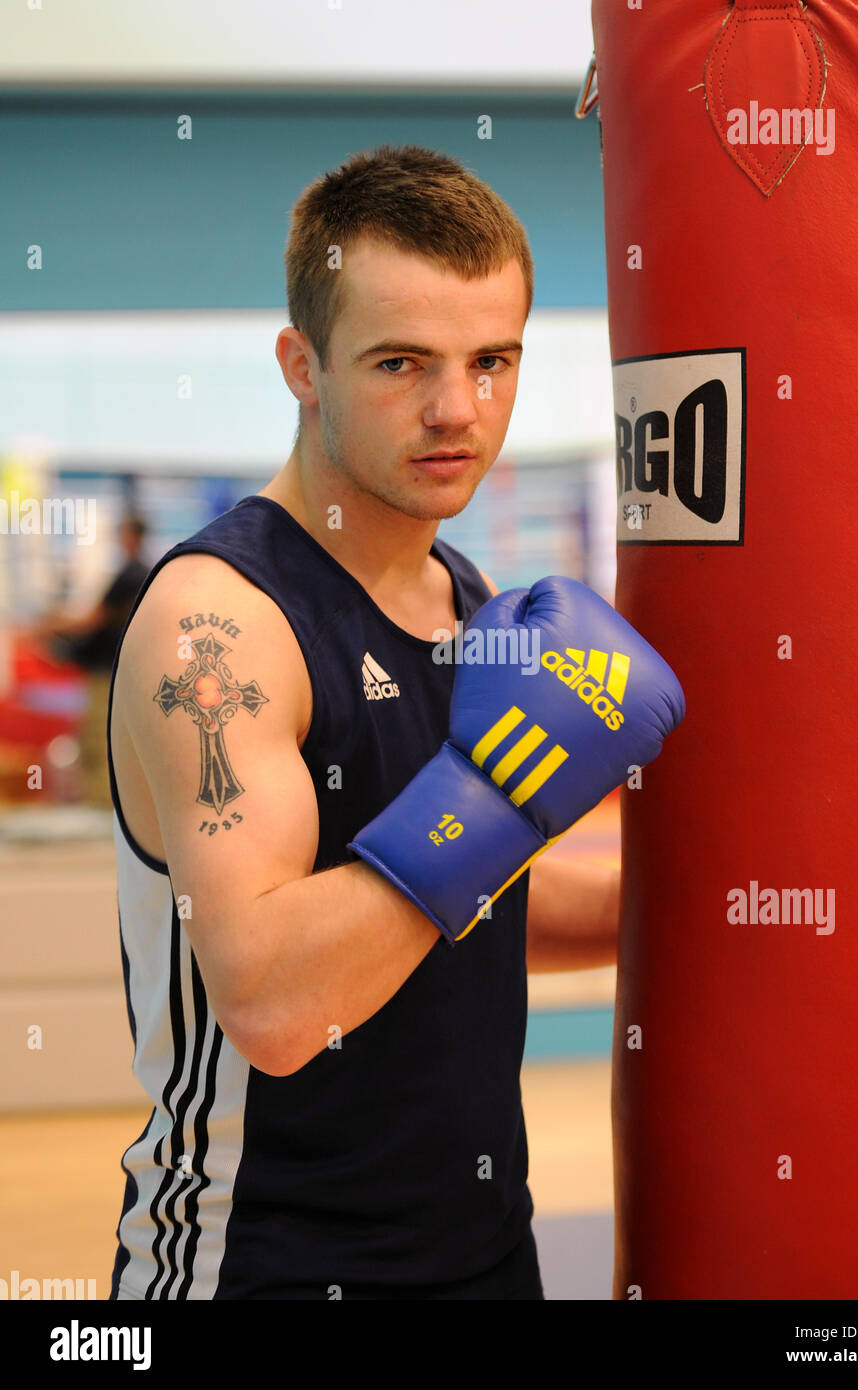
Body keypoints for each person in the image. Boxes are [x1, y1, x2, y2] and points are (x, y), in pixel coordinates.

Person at [105, 145, 680, 1300]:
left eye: (490, 361)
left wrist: (715, 906)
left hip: (483, 1251)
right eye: (400, 362)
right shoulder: (218, 623)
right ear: (302, 365)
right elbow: (271, 1002)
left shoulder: (469, 597)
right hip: (260, 1261)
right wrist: (500, 792)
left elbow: (470, 906)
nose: (455, 409)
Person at [40, 513, 149, 806]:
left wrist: (53, 624)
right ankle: (103, 798)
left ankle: (102, 799)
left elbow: (94, 619)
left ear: (130, 535)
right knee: (104, 733)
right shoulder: (142, 573)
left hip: (107, 668)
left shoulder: (131, 574)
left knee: (99, 735)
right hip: (120, 667)